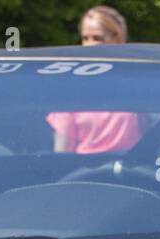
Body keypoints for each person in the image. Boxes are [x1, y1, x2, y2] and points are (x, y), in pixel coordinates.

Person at [48, 6, 140, 154]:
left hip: (132, 170)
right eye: (85, 38)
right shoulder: (71, 89)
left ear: (117, 39)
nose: (89, 45)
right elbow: (62, 153)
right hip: (83, 174)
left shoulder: (138, 84)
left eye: (97, 38)